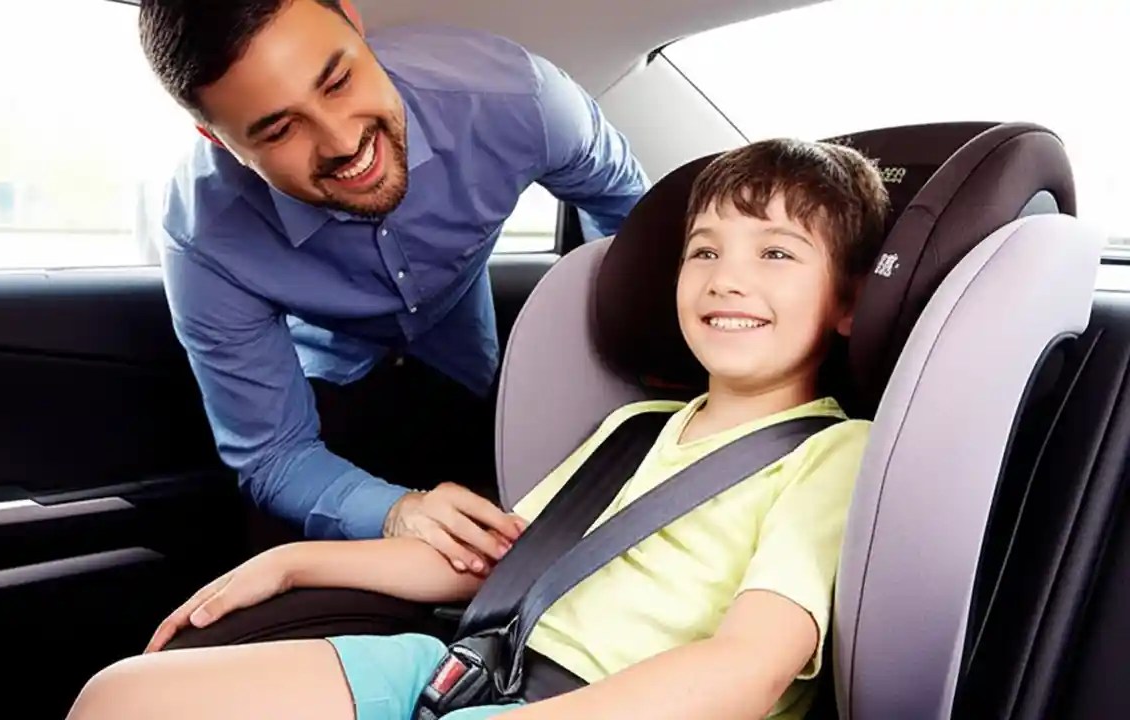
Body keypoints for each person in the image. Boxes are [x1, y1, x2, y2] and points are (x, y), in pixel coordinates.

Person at [66, 137, 891, 720]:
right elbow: (495, 560)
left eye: (776, 255)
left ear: (848, 302)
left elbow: (745, 668)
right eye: (704, 252)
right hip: (473, 667)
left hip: (613, 703)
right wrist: (292, 563)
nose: (726, 280)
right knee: (122, 696)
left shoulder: (833, 453)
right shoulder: (637, 428)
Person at [138, 0, 650, 570]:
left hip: (471, 374)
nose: (341, 142)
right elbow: (275, 455)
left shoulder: (518, 100)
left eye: (338, 82)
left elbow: (642, 234)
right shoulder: (204, 236)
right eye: (281, 128)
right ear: (216, 138)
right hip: (325, 400)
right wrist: (396, 513)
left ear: (356, 25)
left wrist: (621, 377)